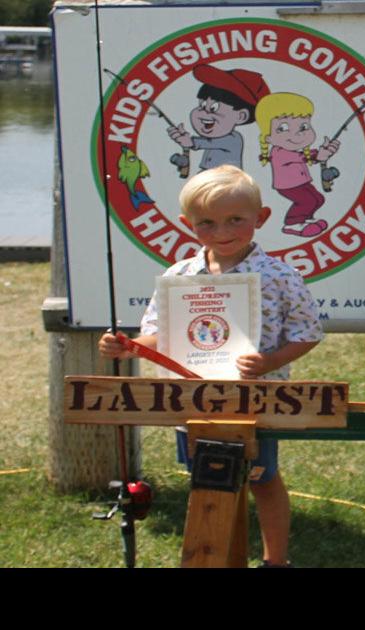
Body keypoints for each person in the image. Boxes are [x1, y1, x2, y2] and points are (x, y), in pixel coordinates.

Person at [98, 165, 323, 567]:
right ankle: (217, 557)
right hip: (194, 402)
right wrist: (127, 346)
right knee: (210, 480)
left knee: (262, 478)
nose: (222, 232)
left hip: (255, 403)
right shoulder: (179, 276)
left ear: (261, 218)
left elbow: (307, 333)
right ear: (188, 224)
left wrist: (270, 361)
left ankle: (275, 561)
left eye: (235, 219)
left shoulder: (281, 276)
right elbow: (158, 335)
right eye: (207, 223)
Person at [255, 92, 341, 238]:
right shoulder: (279, 152)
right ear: (269, 138)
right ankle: (292, 224)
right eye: (283, 128)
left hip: (302, 183)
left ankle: (306, 219)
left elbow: (307, 156)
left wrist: (323, 151)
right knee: (307, 201)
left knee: (318, 199)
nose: (297, 133)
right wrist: (319, 155)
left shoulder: (291, 151)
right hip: (288, 186)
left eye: (304, 126)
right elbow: (302, 158)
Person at [167, 65, 270, 175]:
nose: (204, 114)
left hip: (228, 180)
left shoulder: (234, 139)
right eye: (202, 106)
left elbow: (208, 143)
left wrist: (191, 142)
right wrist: (185, 139)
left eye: (213, 108)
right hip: (211, 176)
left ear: (241, 116)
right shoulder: (214, 136)